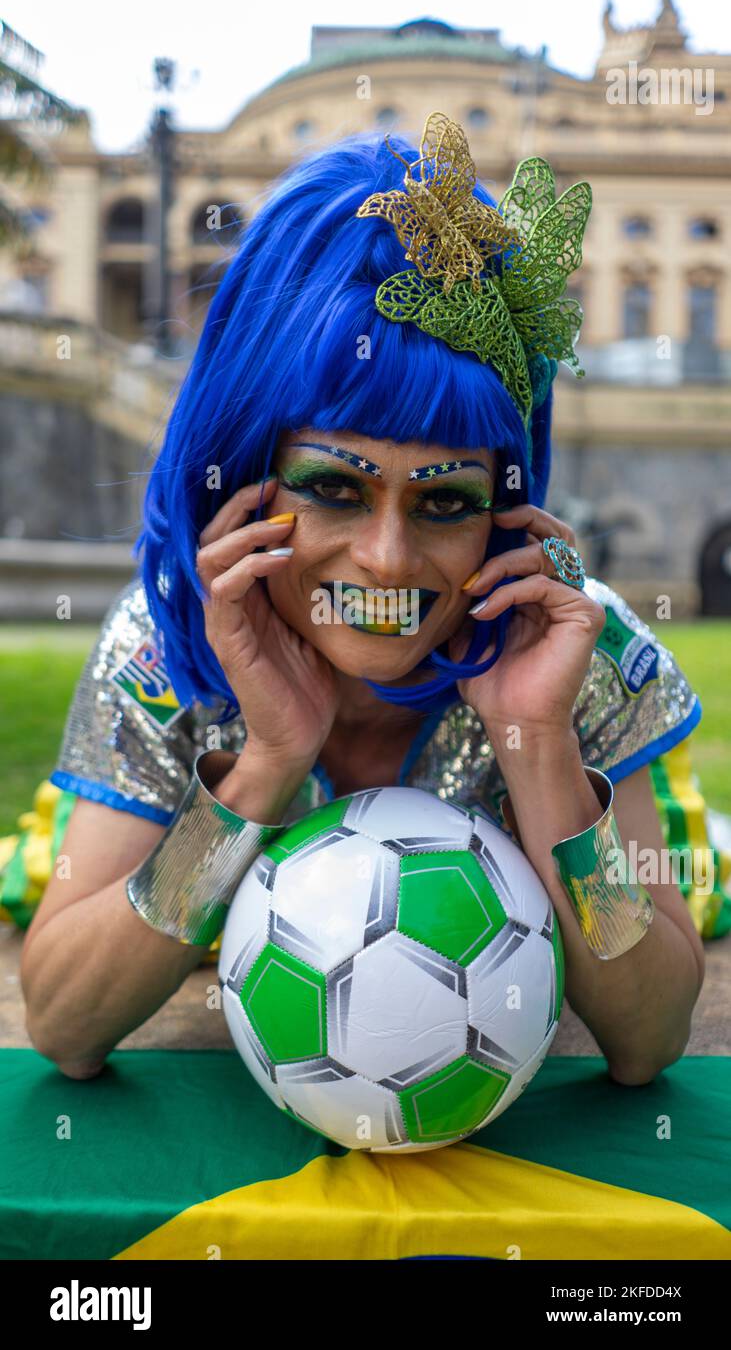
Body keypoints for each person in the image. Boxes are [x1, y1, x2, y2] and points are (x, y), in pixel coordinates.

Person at [20, 112, 723, 1090]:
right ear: (243, 475)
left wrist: (535, 744)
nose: (387, 561)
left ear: (506, 506)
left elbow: (646, 1043)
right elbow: (61, 1022)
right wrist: (262, 766)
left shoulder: (571, 644)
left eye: (444, 500)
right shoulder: (167, 640)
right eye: (334, 488)